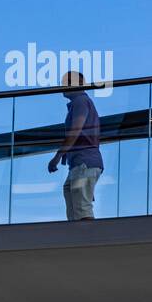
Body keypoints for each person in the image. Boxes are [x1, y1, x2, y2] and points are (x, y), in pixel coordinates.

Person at [47, 70, 104, 221]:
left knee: (82, 208)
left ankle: (88, 240)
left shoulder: (80, 101)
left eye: (67, 82)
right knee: (73, 201)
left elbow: (75, 131)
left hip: (84, 162)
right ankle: (78, 236)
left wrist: (58, 156)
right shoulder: (79, 103)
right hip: (80, 163)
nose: (63, 86)